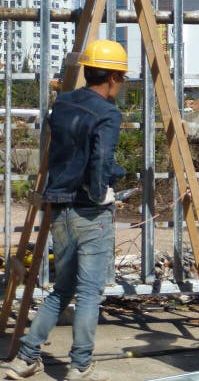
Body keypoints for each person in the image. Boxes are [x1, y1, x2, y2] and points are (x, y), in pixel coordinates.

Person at [5, 40, 128, 380]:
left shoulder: (63, 104)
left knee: (62, 288)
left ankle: (26, 357)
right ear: (114, 77)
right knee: (89, 291)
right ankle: (80, 364)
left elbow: (64, 152)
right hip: (90, 211)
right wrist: (102, 190)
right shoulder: (107, 112)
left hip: (58, 207)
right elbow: (100, 158)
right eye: (122, 78)